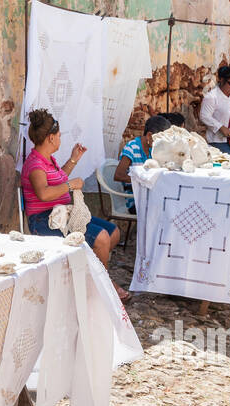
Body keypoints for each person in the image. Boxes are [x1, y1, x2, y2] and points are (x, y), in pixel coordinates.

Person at [21, 109, 128, 300]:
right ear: (51, 138)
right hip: (44, 220)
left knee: (113, 233)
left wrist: (73, 159)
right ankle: (101, 287)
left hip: (62, 214)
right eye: (59, 136)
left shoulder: (47, 160)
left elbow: (58, 178)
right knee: (102, 239)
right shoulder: (35, 164)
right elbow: (44, 193)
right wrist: (70, 185)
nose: (60, 139)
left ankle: (89, 276)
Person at [113, 114, 172, 209]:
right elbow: (118, 175)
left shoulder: (153, 150)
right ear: (149, 135)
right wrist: (143, 180)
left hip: (150, 197)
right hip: (135, 200)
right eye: (161, 140)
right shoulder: (131, 148)